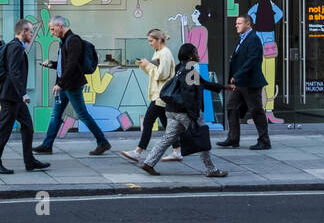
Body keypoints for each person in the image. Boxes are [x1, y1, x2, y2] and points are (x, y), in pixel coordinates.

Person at [137, 43, 227, 177]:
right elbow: (189, 95)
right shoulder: (190, 71)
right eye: (196, 52)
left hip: (172, 110)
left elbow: (203, 83)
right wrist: (194, 115)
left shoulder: (180, 68)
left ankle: (149, 163)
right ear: (191, 55)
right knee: (201, 138)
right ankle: (211, 169)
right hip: (184, 112)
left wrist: (224, 87)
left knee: (167, 138)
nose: (198, 54)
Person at [32, 15, 111, 155]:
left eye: (52, 29)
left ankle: (103, 142)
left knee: (82, 115)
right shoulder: (64, 41)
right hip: (65, 85)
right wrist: (52, 64)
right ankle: (47, 145)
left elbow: (72, 64)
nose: (51, 33)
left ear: (60, 26)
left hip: (72, 85)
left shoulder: (73, 40)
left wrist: (60, 84)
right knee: (55, 115)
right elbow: (65, 64)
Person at [0, 19, 50, 174]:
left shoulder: (16, 46)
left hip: (13, 95)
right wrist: (23, 93)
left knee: (28, 126)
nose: (31, 34)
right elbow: (14, 72)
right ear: (23, 32)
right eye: (30, 31)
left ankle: (30, 161)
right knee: (4, 129)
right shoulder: (15, 47)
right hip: (10, 96)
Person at [123, 28, 181, 163]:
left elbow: (162, 74)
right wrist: (145, 65)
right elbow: (155, 74)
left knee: (148, 122)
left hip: (161, 95)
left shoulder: (164, 54)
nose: (149, 43)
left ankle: (138, 152)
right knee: (167, 125)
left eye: (151, 41)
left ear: (159, 40)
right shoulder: (159, 53)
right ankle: (177, 151)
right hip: (160, 94)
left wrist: (148, 65)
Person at [217, 15, 271, 150]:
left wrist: (237, 76)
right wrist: (234, 78)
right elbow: (237, 61)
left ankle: (264, 141)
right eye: (236, 23)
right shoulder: (243, 39)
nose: (236, 25)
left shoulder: (253, 39)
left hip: (251, 82)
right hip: (241, 82)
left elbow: (252, 60)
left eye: (239, 23)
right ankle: (233, 138)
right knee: (231, 107)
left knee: (256, 111)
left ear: (248, 24)